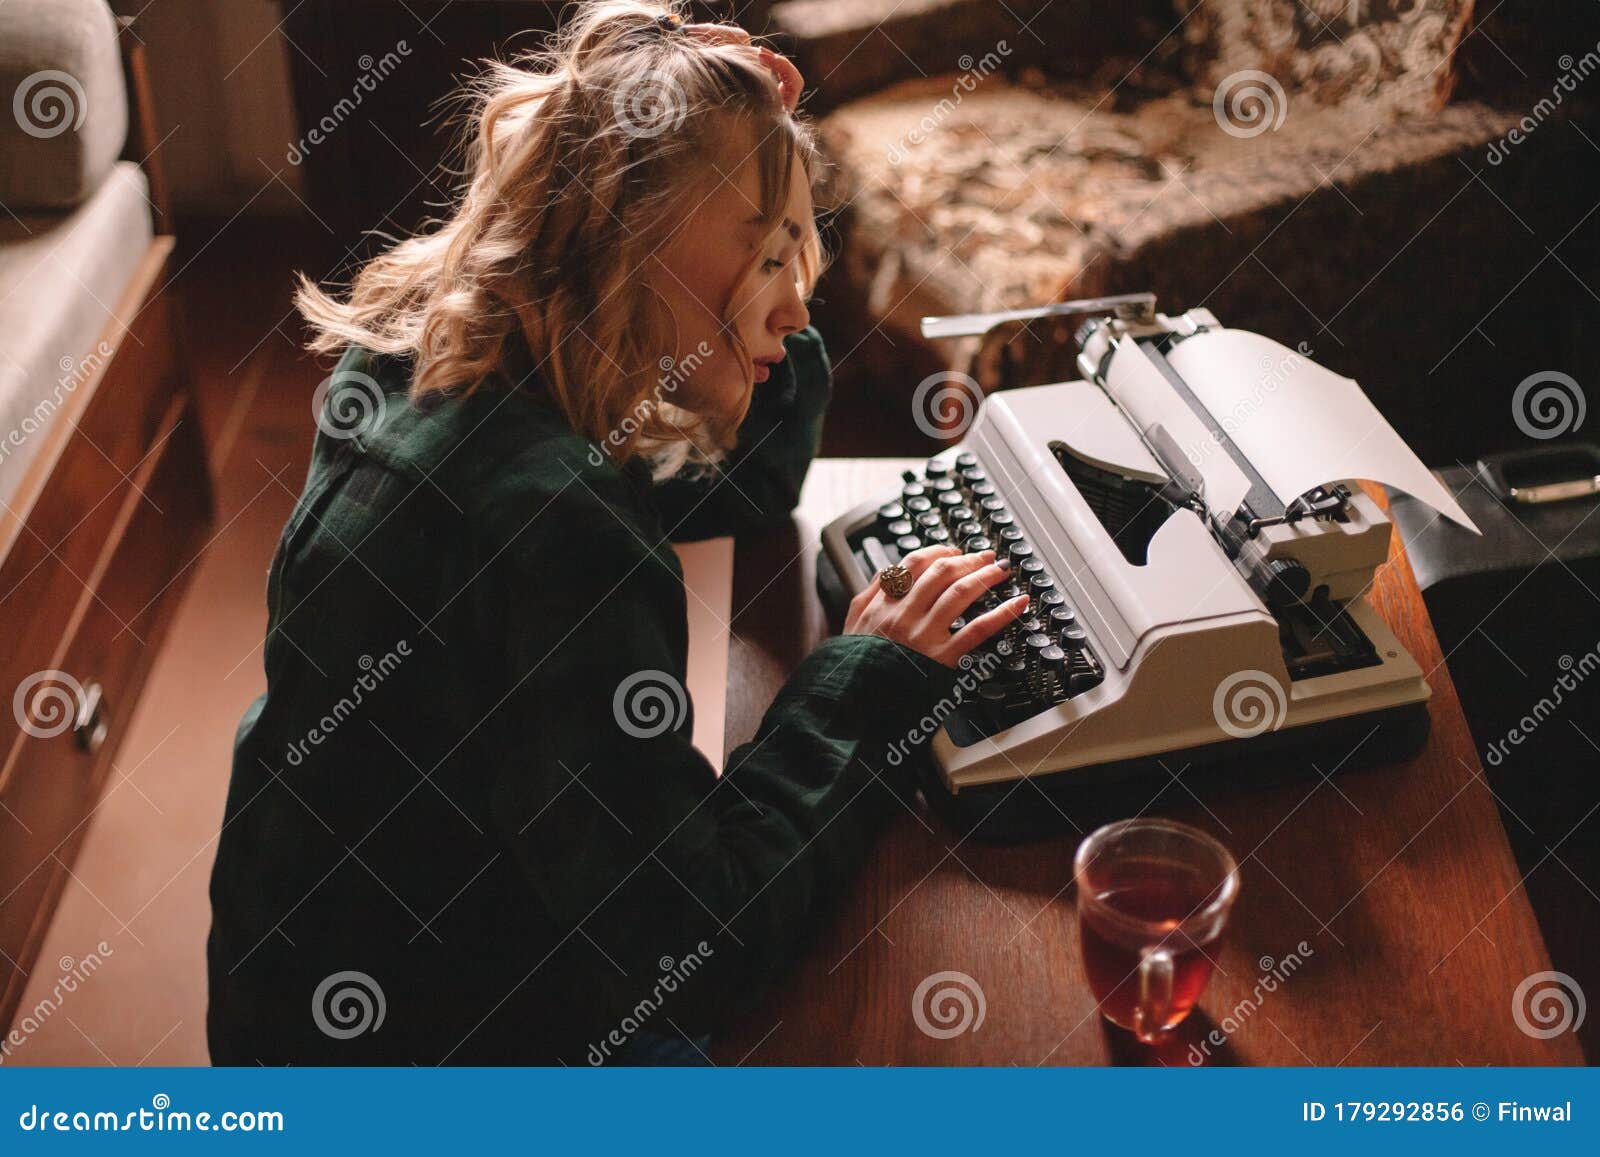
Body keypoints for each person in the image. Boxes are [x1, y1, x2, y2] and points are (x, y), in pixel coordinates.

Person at [206, 0, 1029, 1066]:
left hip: (285, 998)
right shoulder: (555, 523)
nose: (797, 304)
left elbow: (739, 490)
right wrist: (865, 679)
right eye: (766, 249)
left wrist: (706, 148)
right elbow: (693, 945)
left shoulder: (424, 356)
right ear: (636, 241)